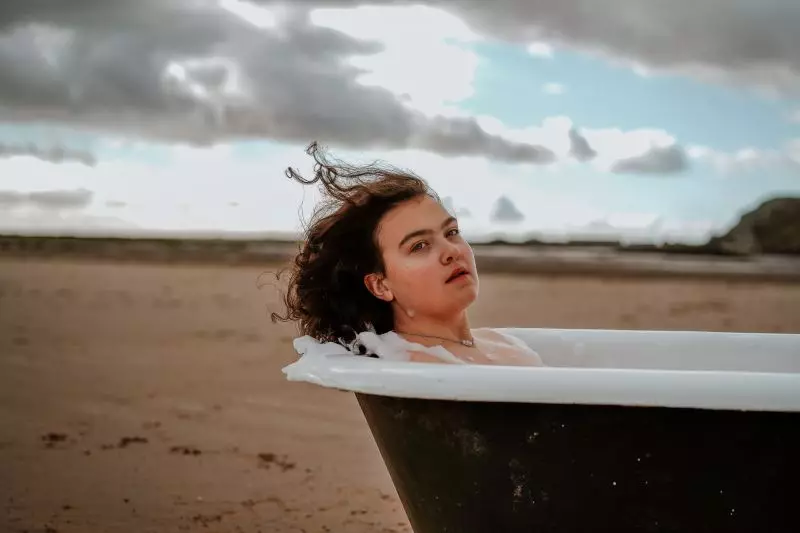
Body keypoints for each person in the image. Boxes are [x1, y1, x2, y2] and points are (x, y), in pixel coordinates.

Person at [271, 142, 543, 367]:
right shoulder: (410, 364)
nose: (451, 251)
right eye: (419, 246)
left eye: (451, 232)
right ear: (380, 285)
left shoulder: (505, 345)